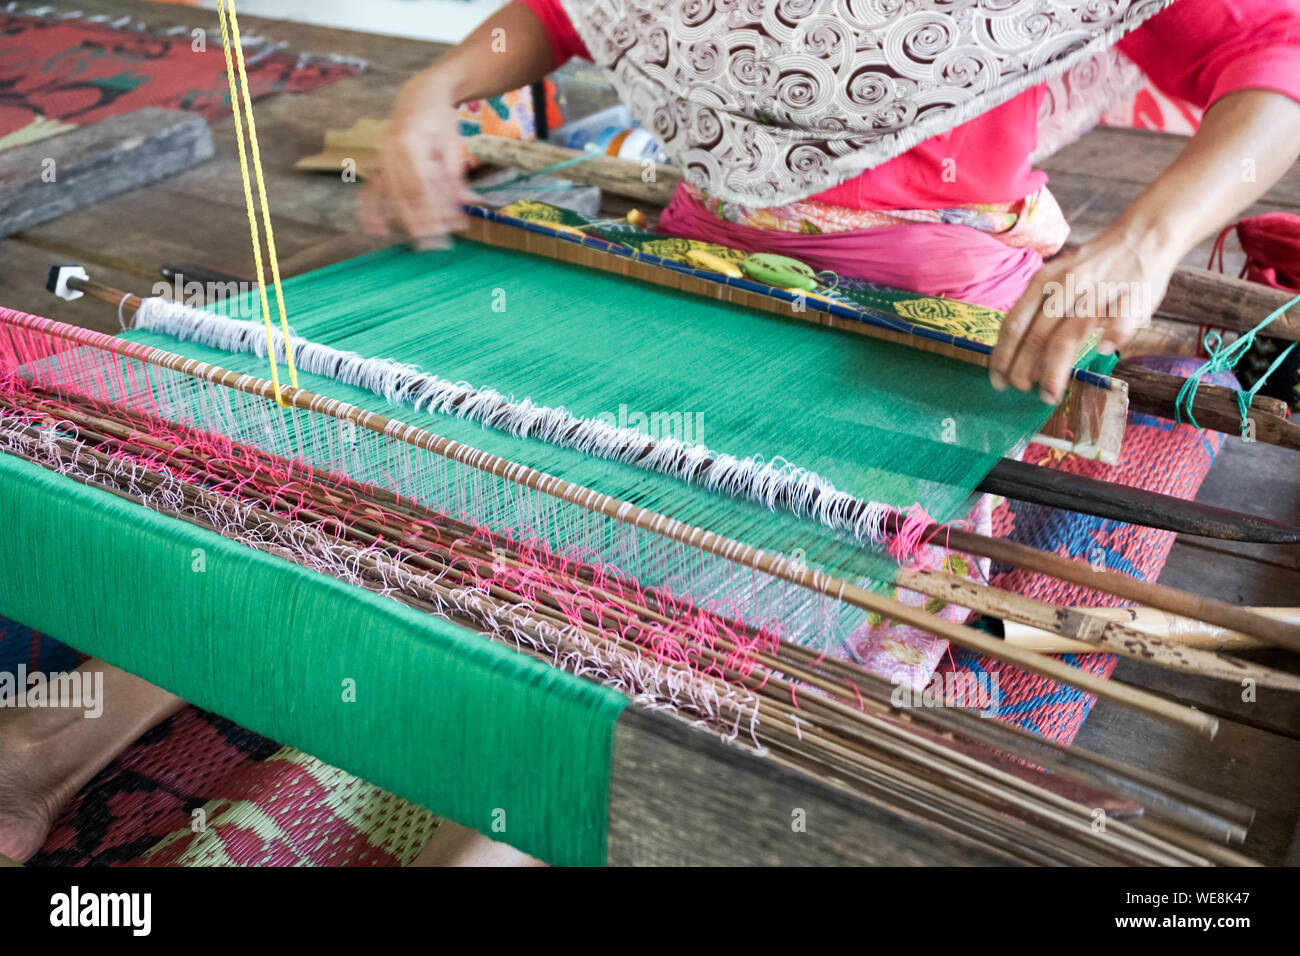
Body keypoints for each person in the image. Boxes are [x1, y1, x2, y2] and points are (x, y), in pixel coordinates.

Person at [4, 0, 1298, 867]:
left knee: (656, 598)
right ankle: (35, 751)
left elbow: (1272, 60)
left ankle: (514, 815)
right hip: (681, 270)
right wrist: (434, 94)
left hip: (927, 320)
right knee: (308, 469)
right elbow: (558, 16)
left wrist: (1146, 239)